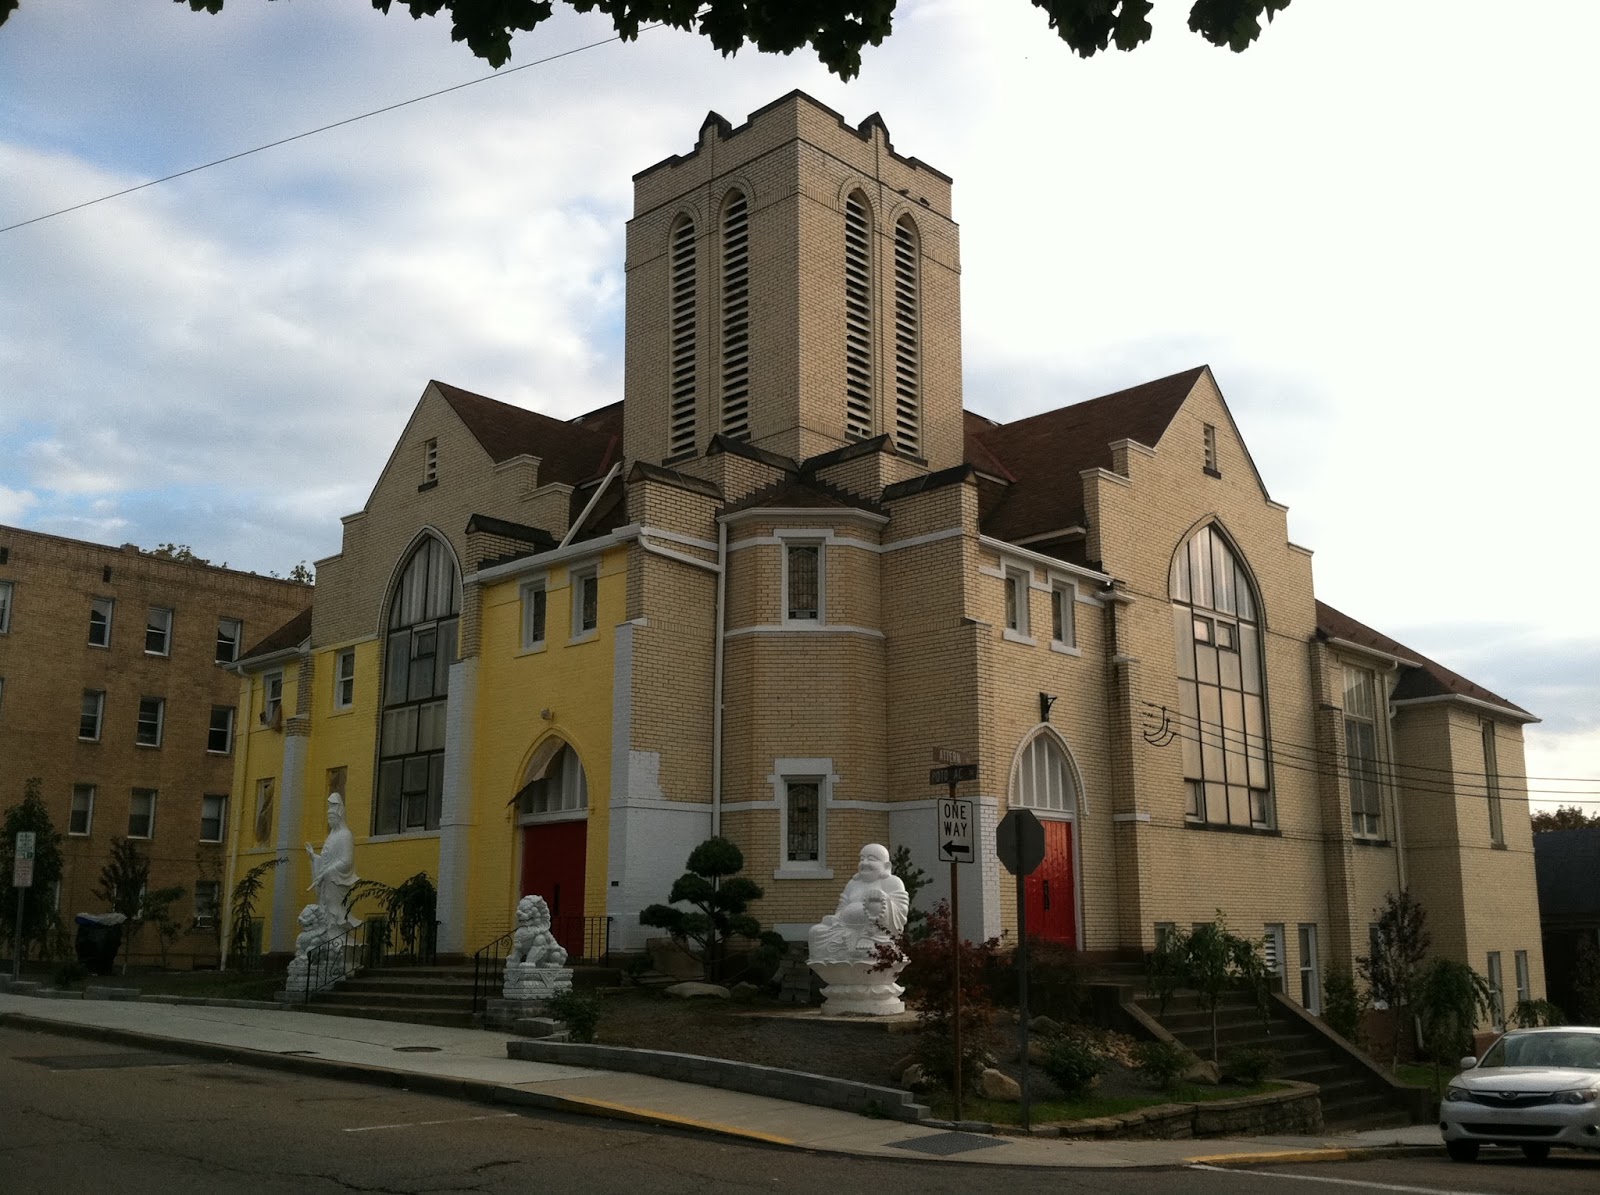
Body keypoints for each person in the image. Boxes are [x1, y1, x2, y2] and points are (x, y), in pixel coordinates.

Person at [807, 843, 910, 963]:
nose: (864, 863)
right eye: (862, 859)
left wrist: (883, 898)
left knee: (875, 902)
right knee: (815, 932)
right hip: (846, 929)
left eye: (871, 859)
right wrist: (835, 920)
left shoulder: (892, 882)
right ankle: (850, 945)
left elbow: (900, 913)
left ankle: (866, 940)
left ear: (886, 866)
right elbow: (840, 910)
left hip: (876, 933)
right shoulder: (853, 883)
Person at [306, 793, 360, 930]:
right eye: (328, 818)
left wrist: (329, 872)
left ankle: (336, 932)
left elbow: (347, 861)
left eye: (332, 817)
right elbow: (326, 858)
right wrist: (314, 857)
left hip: (336, 881)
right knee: (324, 910)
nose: (329, 821)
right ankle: (326, 932)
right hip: (326, 881)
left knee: (334, 910)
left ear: (339, 816)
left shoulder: (345, 835)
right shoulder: (332, 836)